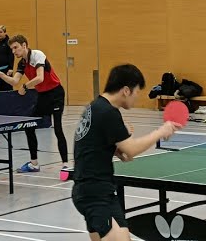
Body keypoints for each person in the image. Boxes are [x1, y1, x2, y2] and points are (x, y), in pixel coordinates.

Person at [72, 64, 178, 241]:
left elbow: (117, 152)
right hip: (95, 194)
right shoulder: (108, 112)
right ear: (126, 90)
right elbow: (132, 150)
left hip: (92, 190)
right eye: (137, 92)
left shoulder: (95, 106)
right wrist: (160, 132)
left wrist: (117, 149)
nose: (137, 97)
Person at [0, 34, 69, 173]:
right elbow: (15, 82)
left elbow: (39, 78)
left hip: (56, 94)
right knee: (29, 126)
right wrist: (2, 75)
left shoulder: (37, 55)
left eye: (16, 47)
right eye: (12, 49)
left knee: (58, 128)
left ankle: (65, 165)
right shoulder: (22, 63)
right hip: (43, 96)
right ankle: (34, 164)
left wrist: (26, 86)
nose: (14, 51)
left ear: (24, 45)